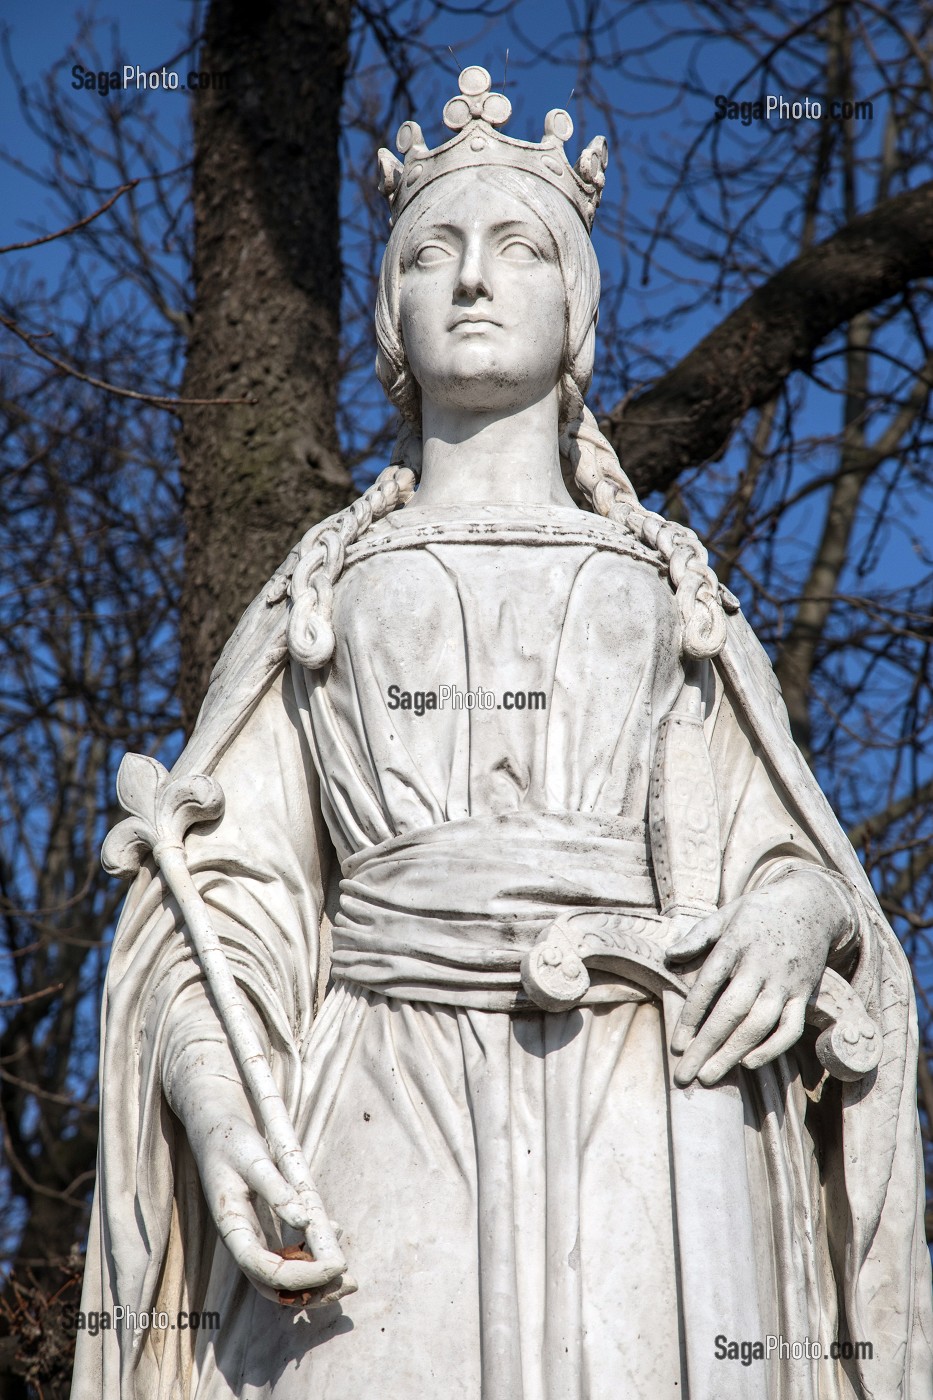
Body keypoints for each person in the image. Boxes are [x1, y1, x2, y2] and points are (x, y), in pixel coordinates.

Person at [73, 68, 933, 1400]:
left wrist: (797, 914)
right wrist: (218, 1095)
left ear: (576, 308)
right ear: (389, 317)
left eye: (517, 246)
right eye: (431, 253)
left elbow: (784, 857)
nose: (472, 279)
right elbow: (222, 896)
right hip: (374, 1085)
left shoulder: (667, 591)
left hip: (656, 1106)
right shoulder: (323, 593)